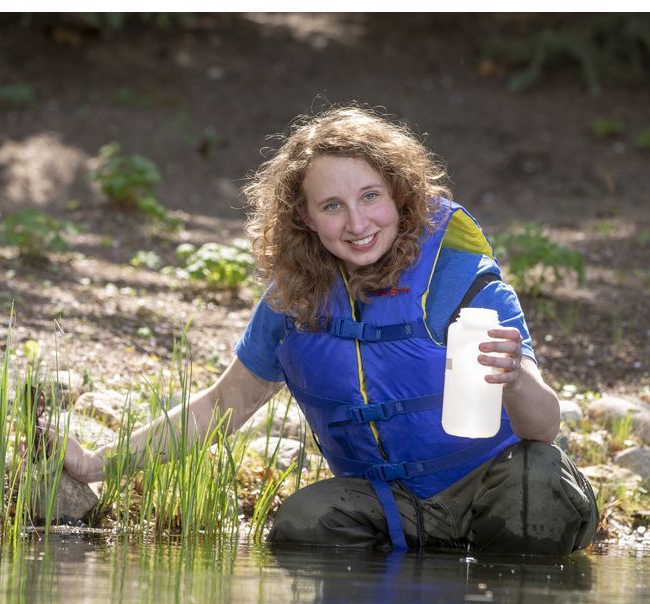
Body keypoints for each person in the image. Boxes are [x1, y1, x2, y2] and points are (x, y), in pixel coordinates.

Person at [58, 105, 598, 555]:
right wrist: (98, 464)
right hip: (394, 508)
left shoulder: (461, 281)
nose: (358, 224)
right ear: (305, 218)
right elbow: (221, 406)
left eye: (370, 197)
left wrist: (516, 381)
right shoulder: (294, 300)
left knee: (538, 487)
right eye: (332, 207)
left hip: (494, 493)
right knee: (304, 525)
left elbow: (543, 428)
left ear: (399, 195)